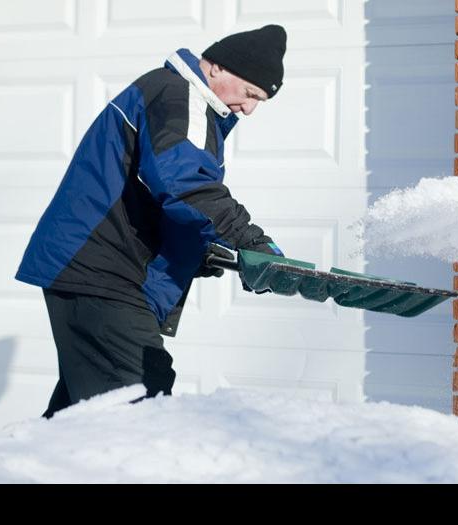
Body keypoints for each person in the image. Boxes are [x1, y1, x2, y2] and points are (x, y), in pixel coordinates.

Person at [15, 25, 288, 418]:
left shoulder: (175, 97)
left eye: (260, 101)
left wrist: (200, 252)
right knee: (140, 405)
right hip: (100, 273)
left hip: (97, 271)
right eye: (250, 94)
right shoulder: (182, 96)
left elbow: (150, 191)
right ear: (216, 69)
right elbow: (184, 185)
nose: (250, 109)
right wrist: (248, 240)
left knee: (80, 419)